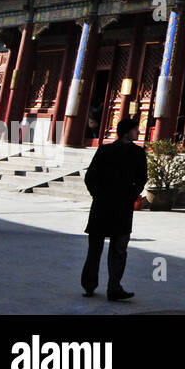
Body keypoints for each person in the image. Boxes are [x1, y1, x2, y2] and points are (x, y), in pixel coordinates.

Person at [81, 116, 147, 301]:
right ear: (127, 132)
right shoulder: (106, 150)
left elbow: (142, 178)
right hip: (106, 205)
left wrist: (131, 195)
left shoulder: (137, 153)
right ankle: (92, 284)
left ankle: (110, 287)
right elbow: (91, 176)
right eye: (135, 129)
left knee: (115, 248)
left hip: (118, 206)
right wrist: (99, 194)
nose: (138, 132)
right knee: (99, 249)